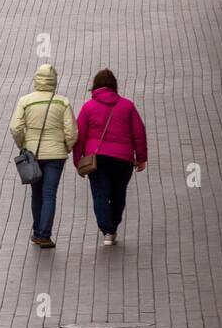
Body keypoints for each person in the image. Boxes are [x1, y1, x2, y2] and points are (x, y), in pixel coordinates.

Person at [73, 69, 147, 246]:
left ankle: (106, 228)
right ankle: (113, 226)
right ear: (114, 85)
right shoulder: (127, 106)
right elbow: (139, 133)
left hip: (97, 158)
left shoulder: (88, 107)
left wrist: (78, 161)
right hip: (123, 159)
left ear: (95, 87)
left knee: (100, 193)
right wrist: (141, 157)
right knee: (118, 193)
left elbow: (80, 135)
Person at [10, 64, 77, 248]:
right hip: (56, 155)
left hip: (33, 153)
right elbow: (71, 131)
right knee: (49, 194)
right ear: (54, 81)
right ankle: (44, 235)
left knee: (36, 193)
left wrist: (23, 143)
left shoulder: (25, 101)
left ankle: (37, 231)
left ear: (36, 79)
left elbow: (15, 127)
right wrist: (66, 147)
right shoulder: (62, 102)